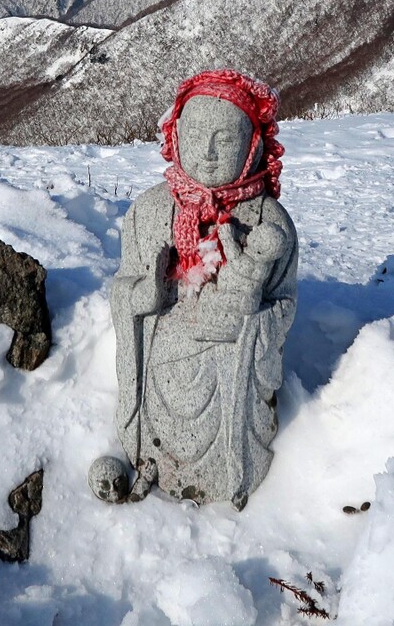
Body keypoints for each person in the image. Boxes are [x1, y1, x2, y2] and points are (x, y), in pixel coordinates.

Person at [102, 69, 298, 509]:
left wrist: (248, 321)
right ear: (174, 135)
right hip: (159, 364)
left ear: (252, 146)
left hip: (231, 376)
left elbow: (285, 305)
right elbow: (124, 286)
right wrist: (143, 297)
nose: (208, 153)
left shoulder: (268, 221)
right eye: (196, 135)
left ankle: (229, 475)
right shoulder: (150, 211)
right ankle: (151, 457)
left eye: (226, 140)